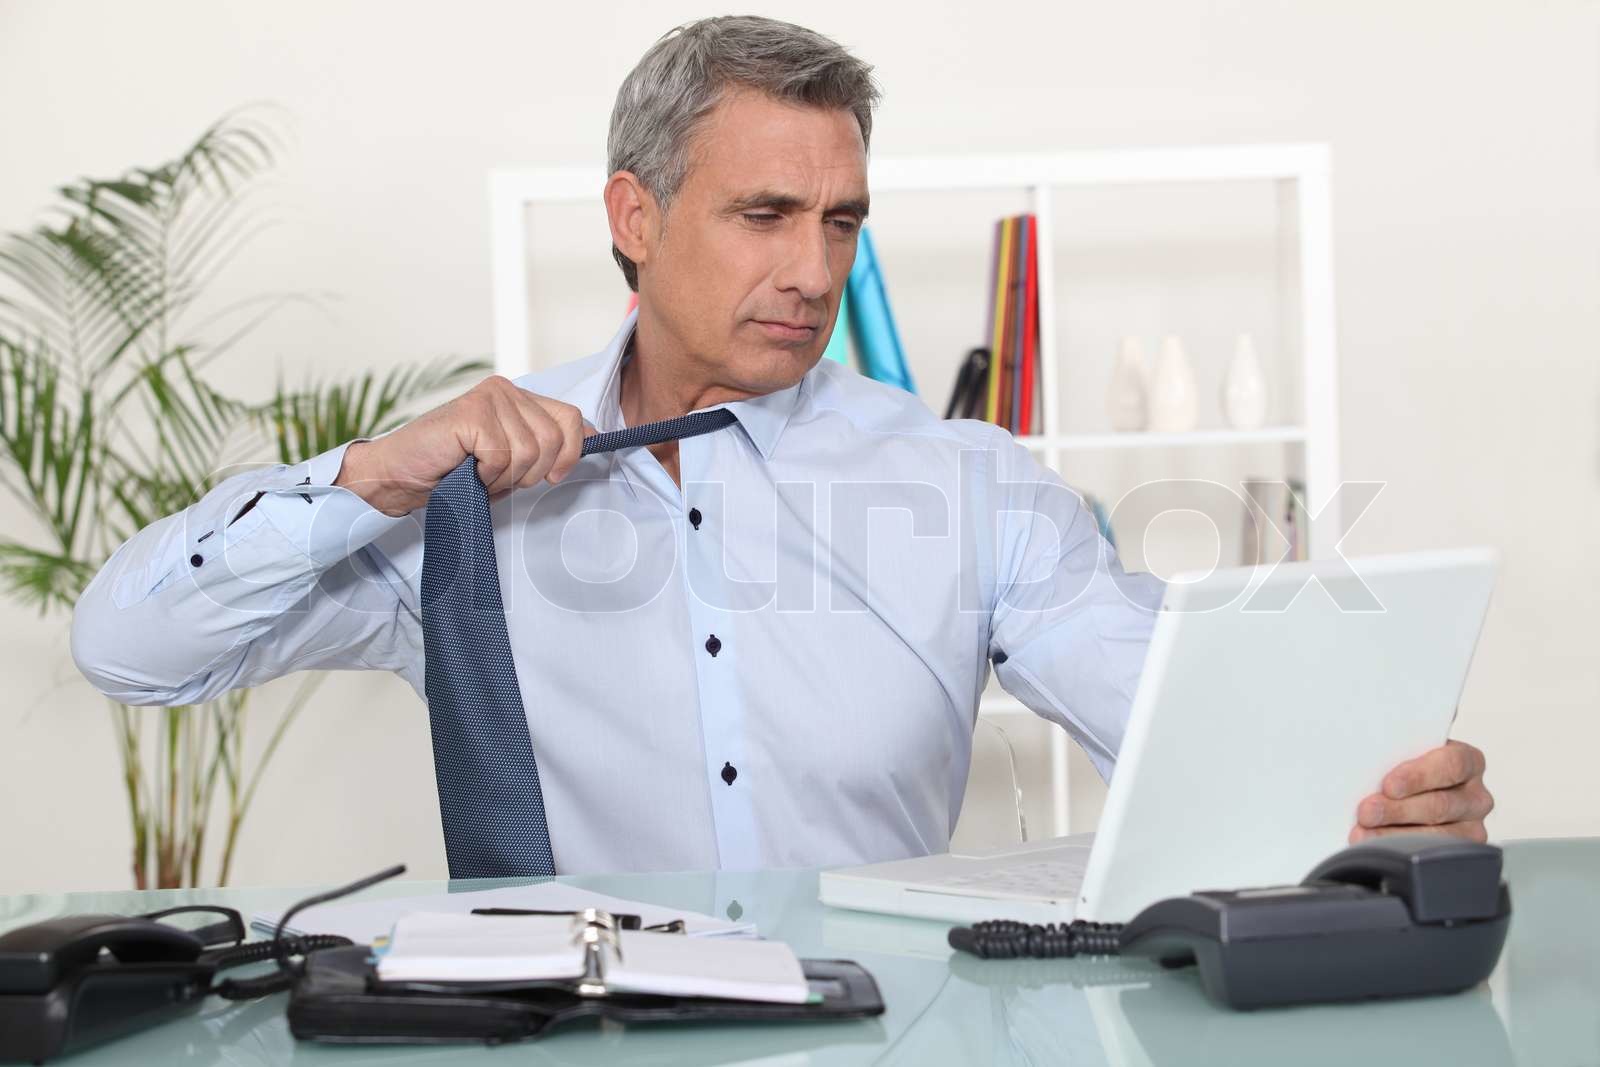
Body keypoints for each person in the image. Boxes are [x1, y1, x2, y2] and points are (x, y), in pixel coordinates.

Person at [69, 16, 1492, 872]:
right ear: (635, 215)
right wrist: (366, 474)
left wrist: (1366, 794)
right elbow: (131, 648)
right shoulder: (455, 502)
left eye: (844, 221)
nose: (814, 270)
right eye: (765, 215)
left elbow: (1176, 712)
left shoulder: (965, 486)